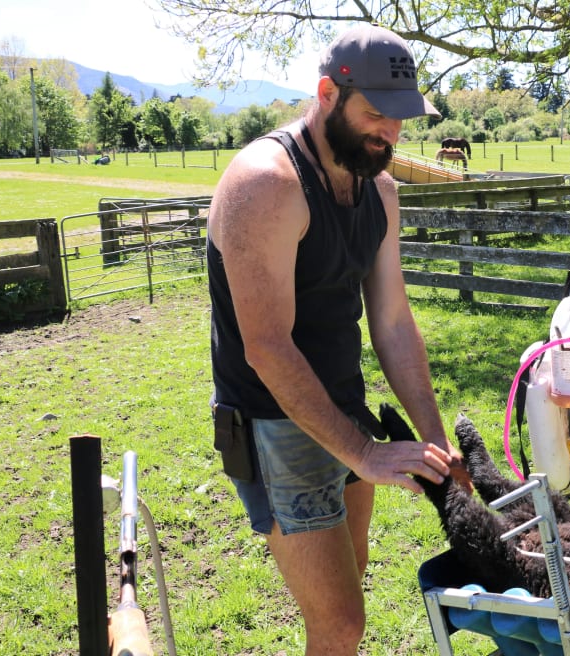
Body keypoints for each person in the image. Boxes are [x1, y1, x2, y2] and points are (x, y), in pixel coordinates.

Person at [206, 24, 467, 655]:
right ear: (327, 93)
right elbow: (264, 346)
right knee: (342, 621)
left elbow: (394, 323)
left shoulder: (378, 188)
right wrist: (365, 452)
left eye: (402, 119)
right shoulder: (266, 185)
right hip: (272, 421)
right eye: (377, 115)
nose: (392, 134)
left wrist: (432, 436)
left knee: (347, 594)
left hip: (342, 406)